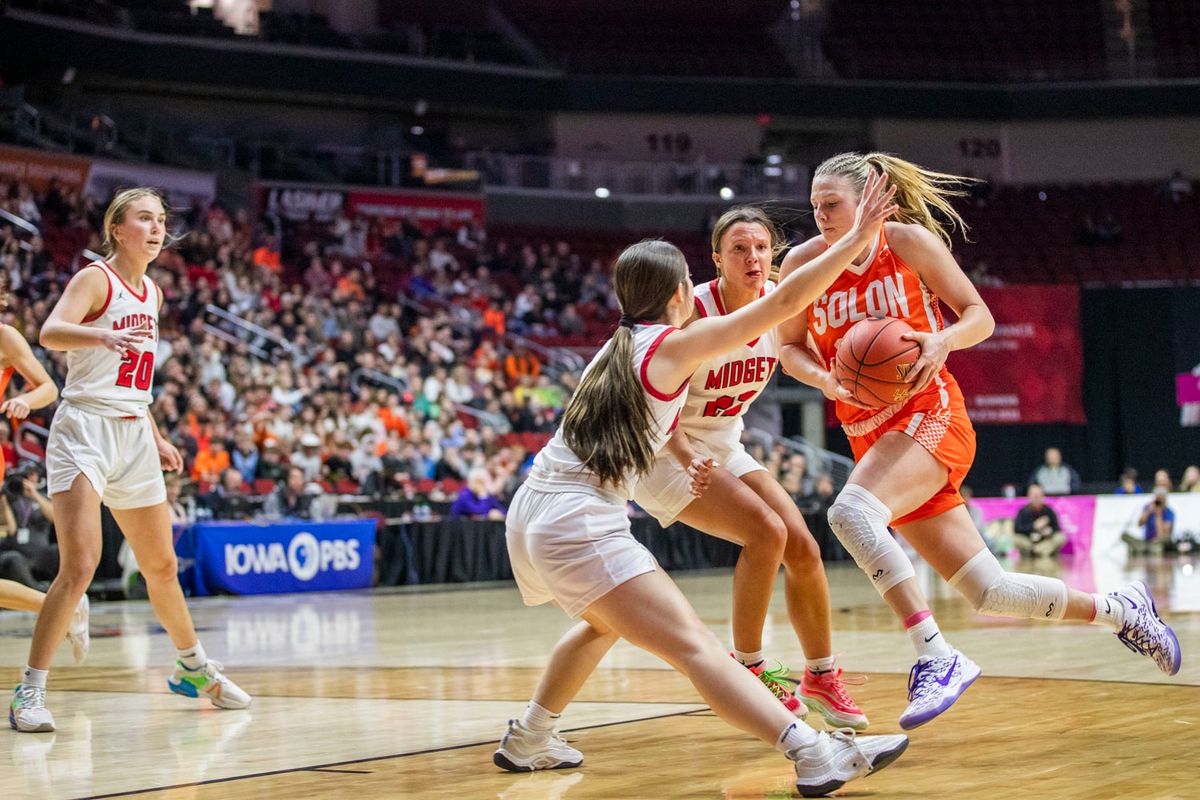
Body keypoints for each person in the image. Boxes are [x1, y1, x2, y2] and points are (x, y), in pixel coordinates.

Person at [495, 173, 909, 797]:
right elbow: (779, 304)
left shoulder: (617, 346)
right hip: (579, 520)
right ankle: (815, 753)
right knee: (695, 648)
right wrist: (857, 239)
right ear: (683, 293)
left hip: (534, 513)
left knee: (605, 622)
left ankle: (530, 736)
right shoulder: (671, 347)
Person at [776, 152, 1180, 733]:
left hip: (929, 413)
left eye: (831, 204)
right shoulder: (803, 261)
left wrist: (940, 342)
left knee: (850, 512)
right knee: (990, 590)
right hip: (869, 433)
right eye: (814, 205)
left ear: (869, 199)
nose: (819, 215)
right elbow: (789, 347)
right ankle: (1122, 611)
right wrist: (823, 377)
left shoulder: (908, 243)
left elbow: (979, 316)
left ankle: (936, 655)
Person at [11, 187, 251, 734]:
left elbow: (132, 381)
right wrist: (100, 333)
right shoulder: (96, 278)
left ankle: (192, 667)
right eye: (145, 218)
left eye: (161, 219)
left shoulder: (154, 295)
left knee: (161, 567)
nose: (157, 227)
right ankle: (30, 690)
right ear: (118, 228)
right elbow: (49, 332)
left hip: (132, 430)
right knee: (80, 565)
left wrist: (155, 431)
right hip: (84, 430)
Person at [631, 206, 867, 729]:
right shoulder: (690, 310)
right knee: (766, 533)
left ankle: (822, 676)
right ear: (716, 259)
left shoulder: (777, 305)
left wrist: (828, 379)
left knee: (803, 546)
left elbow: (796, 352)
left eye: (761, 247)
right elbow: (648, 392)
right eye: (739, 249)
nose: (753, 257)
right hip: (664, 448)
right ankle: (749, 667)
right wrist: (687, 456)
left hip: (721, 441)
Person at [1012, 485, 1065, 558]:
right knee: (1016, 539)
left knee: (1061, 537)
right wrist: (1034, 526)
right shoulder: (1023, 511)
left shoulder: (1049, 511)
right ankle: (1036, 551)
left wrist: (1050, 531)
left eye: (1038, 495)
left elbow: (1057, 528)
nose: (1036, 498)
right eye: (1034, 496)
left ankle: (1038, 551)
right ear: (1029, 496)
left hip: (1045, 541)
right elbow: (1017, 529)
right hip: (1029, 541)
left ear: (1043, 496)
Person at [1123, 487, 1175, 556]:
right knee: (1124, 536)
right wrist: (1148, 512)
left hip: (1160, 541)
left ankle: (1144, 548)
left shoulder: (1169, 513)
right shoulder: (1148, 508)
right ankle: (1144, 547)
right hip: (1147, 540)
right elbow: (1139, 524)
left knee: (1159, 545)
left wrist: (1158, 516)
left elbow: (1162, 534)